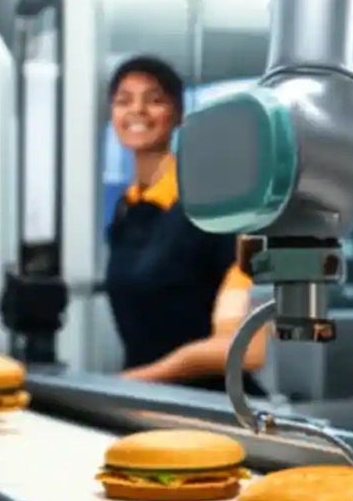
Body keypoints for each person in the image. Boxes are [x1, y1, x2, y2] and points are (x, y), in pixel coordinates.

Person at [105, 56, 266, 392]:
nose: (137, 110)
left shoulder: (216, 209)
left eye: (154, 99)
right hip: (147, 400)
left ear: (178, 115)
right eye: (123, 100)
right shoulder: (128, 209)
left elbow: (246, 348)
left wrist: (136, 380)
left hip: (211, 403)